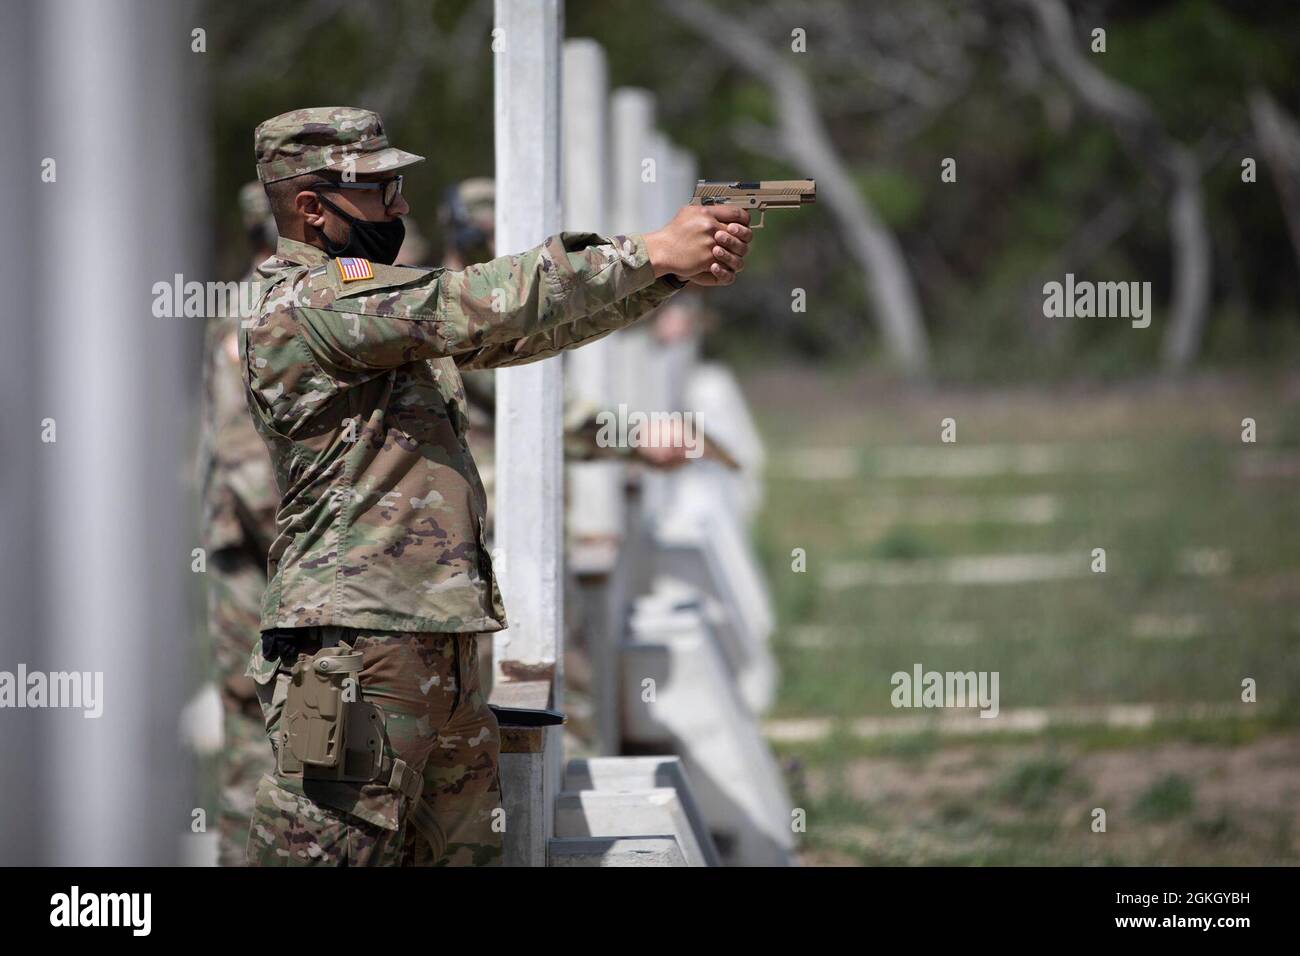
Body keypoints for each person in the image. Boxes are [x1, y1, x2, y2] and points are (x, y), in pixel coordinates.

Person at [240, 106, 751, 866]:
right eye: (378, 190)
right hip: (354, 651)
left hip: (434, 644)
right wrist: (647, 250)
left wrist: (664, 272)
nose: (400, 206)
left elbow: (518, 333)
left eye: (398, 186)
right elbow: (478, 300)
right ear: (312, 208)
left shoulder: (367, 305)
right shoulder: (312, 300)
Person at [196, 182, 280, 866]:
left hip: (267, 553)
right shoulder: (251, 310)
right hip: (255, 560)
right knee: (257, 743)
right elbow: (249, 461)